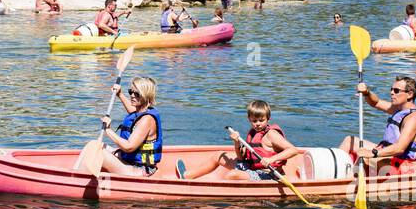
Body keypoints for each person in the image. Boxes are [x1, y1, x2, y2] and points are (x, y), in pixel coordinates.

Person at [178, 100, 306, 181]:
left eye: (261, 120)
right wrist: (237, 142)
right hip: (251, 168)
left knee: (231, 175)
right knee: (218, 155)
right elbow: (241, 158)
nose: (257, 124)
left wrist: (271, 160)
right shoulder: (253, 132)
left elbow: (293, 150)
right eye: (254, 121)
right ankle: (188, 176)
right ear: (249, 119)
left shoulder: (271, 134)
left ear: (268, 118)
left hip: (268, 175)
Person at [338, 75, 416, 176]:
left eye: (396, 90)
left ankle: (346, 182)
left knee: (366, 159)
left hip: (411, 166)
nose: (391, 92)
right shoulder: (399, 110)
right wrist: (366, 92)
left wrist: (372, 153)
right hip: (398, 158)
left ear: (410, 94)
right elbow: (375, 102)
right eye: (391, 89)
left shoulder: (414, 117)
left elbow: (399, 148)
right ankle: (336, 170)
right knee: (350, 141)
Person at [98, 77, 163, 176]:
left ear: (146, 96)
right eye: (130, 92)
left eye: (137, 94)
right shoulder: (141, 111)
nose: (132, 96)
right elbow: (132, 111)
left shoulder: (147, 119)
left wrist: (108, 130)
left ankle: (81, 178)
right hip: (132, 163)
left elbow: (129, 147)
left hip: (141, 170)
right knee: (96, 145)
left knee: (100, 153)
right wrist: (119, 94)